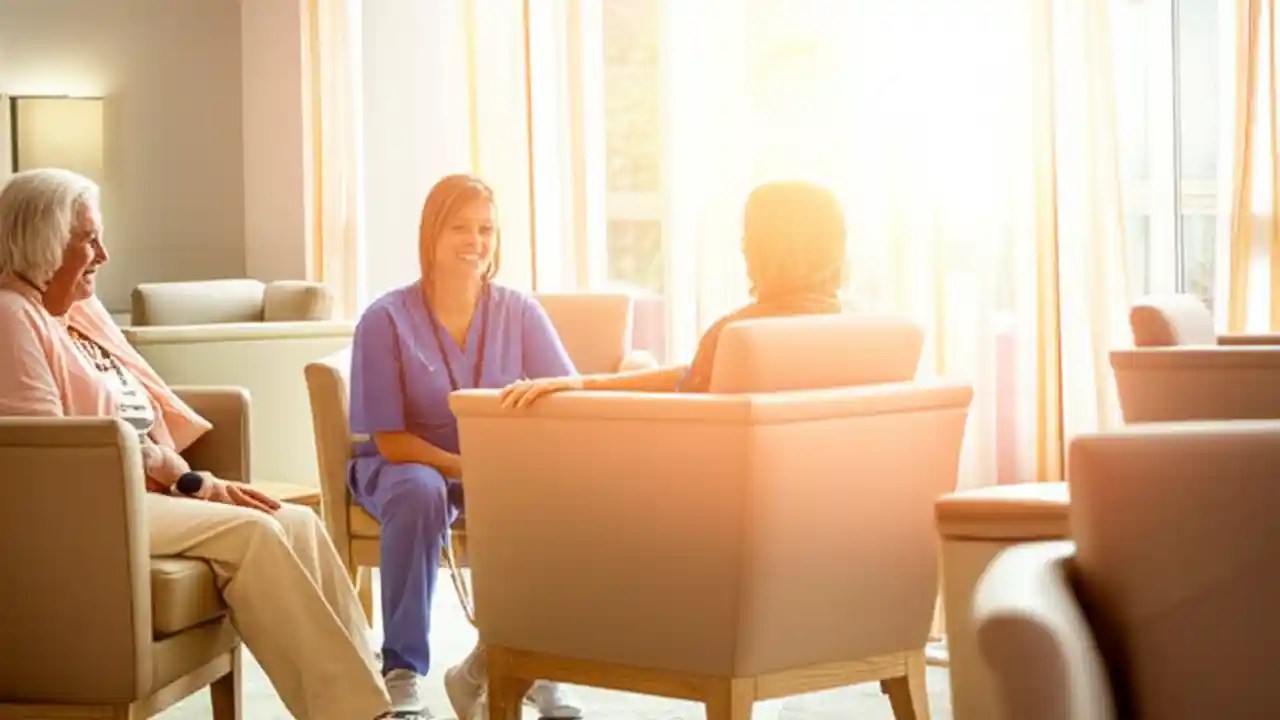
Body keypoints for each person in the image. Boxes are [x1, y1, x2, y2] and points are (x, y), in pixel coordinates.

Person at [0, 169, 395, 719]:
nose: (104, 255)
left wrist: (182, 474)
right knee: (254, 534)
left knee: (297, 521)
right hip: (89, 507)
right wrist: (190, 480)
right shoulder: (12, 315)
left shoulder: (74, 314)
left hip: (135, 487)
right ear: (42, 241)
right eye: (88, 240)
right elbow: (51, 451)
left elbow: (135, 399)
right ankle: (352, 715)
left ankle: (368, 701)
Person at [348, 174, 583, 719]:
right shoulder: (385, 320)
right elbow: (390, 440)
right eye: (461, 227)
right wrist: (468, 466)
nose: (476, 241)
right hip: (405, 467)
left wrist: (517, 460)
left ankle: (526, 665)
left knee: (554, 494)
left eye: (487, 229)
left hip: (496, 466)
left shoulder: (519, 312)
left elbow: (567, 393)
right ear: (431, 232)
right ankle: (401, 672)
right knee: (420, 491)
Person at [500, 179, 848, 407]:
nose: (743, 247)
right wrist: (587, 383)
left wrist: (587, 389)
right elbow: (693, 374)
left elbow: (683, 396)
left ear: (767, 248)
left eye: (749, 237)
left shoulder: (736, 335)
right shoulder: (854, 335)